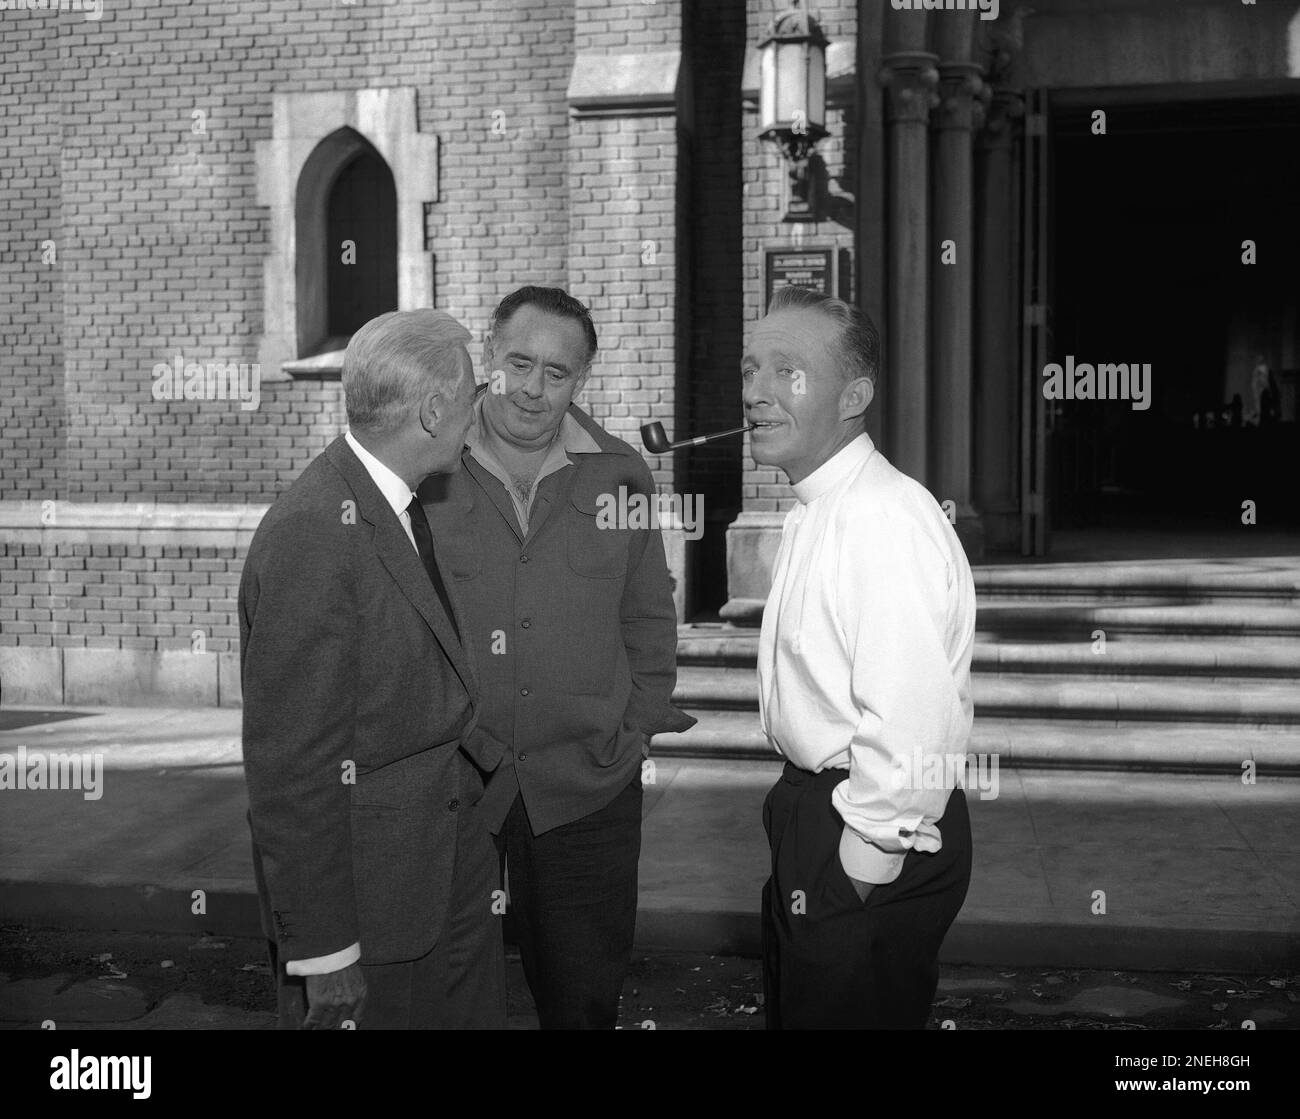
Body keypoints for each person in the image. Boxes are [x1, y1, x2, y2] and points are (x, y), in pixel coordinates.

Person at [420, 285, 694, 1030]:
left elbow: (648, 611)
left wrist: (632, 727)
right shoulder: (426, 466)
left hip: (587, 790)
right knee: (442, 995)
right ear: (489, 357)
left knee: (581, 999)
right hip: (454, 786)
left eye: (559, 372)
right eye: (520, 364)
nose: (535, 390)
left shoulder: (621, 474)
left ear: (582, 379)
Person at [240, 309, 506, 1029]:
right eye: (473, 393)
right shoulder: (316, 531)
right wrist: (326, 953)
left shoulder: (396, 506)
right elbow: (293, 763)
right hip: (375, 914)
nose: (479, 411)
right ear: (432, 409)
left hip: (438, 880)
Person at [745, 284, 976, 1030]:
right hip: (818, 813)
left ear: (855, 396)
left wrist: (861, 865)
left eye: (788, 371)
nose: (757, 393)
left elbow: (913, 722)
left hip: (864, 828)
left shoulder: (878, 519)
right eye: (752, 370)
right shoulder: (824, 505)